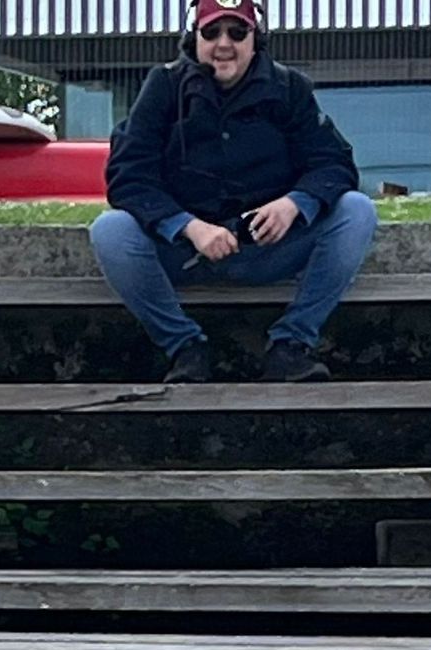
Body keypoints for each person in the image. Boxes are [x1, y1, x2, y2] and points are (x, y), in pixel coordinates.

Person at [88, 0, 377, 384]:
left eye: (237, 32)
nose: (224, 43)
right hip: (184, 253)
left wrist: (295, 204)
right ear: (194, 37)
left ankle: (291, 345)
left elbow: (333, 163)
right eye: (211, 32)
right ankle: (186, 348)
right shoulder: (162, 86)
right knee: (111, 231)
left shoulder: (290, 88)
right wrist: (188, 226)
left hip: (271, 250)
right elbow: (128, 175)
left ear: (256, 39)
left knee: (357, 211)